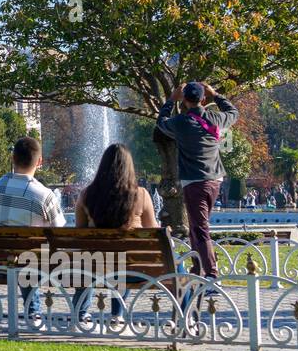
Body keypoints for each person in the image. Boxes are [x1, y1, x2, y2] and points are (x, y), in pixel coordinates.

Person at [156, 81, 238, 280]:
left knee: (200, 227)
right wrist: (216, 94)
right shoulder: (216, 118)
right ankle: (197, 269)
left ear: (184, 100)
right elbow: (233, 112)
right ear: (203, 99)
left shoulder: (181, 122)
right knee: (196, 225)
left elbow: (161, 121)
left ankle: (210, 274)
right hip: (215, 180)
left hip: (194, 182)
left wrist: (170, 100)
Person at [0, 137, 66, 321]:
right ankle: (35, 313)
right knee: (30, 255)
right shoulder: (44, 195)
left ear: (13, 158)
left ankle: (33, 311)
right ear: (39, 162)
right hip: (32, 263)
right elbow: (60, 231)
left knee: (22, 253)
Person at [75, 144, 157, 316]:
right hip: (132, 270)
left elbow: (79, 233)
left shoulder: (86, 195)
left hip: (95, 268)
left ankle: (80, 314)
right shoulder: (140, 195)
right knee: (178, 269)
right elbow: (153, 231)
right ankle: (186, 321)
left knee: (91, 259)